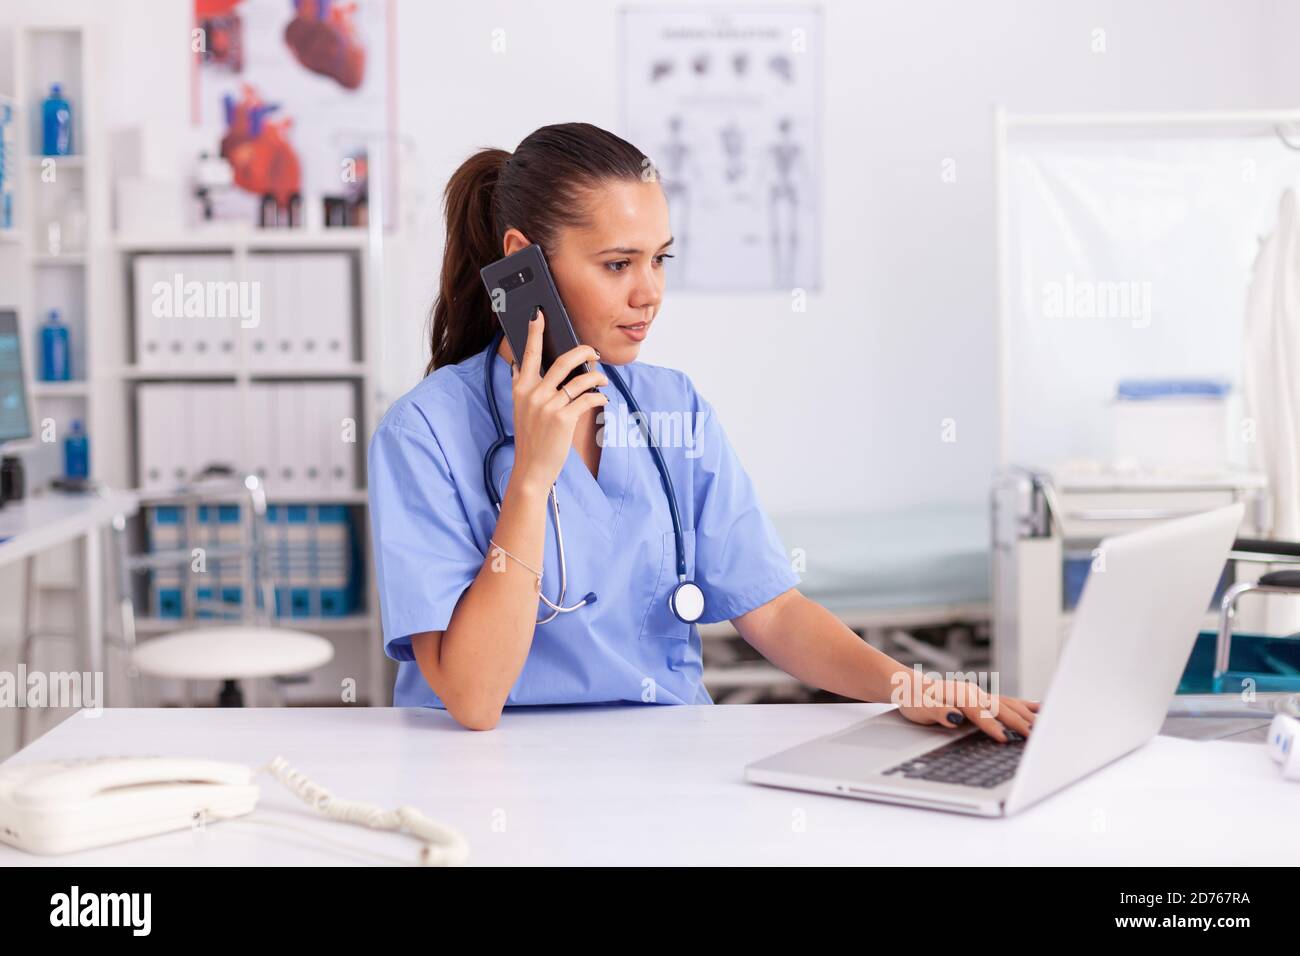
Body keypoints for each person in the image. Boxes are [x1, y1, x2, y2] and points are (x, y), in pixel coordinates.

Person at [368, 122, 1039, 735]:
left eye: (661, 259)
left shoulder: (672, 408)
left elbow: (771, 612)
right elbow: (474, 699)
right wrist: (531, 480)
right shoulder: (423, 433)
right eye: (617, 264)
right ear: (524, 263)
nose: (649, 292)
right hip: (491, 779)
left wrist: (907, 685)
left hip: (667, 759)